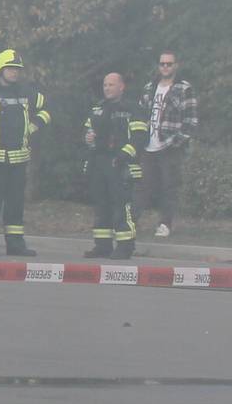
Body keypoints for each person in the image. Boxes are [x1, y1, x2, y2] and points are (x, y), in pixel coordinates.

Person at [0, 49, 51, 257]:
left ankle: (15, 244)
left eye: (17, 69)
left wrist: (33, 127)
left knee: (16, 203)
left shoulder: (26, 91)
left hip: (19, 158)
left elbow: (46, 109)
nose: (14, 72)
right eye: (10, 68)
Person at [82, 69, 147, 258]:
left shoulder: (132, 109)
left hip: (121, 164)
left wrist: (121, 157)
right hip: (99, 163)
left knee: (121, 206)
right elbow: (87, 131)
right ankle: (102, 246)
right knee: (101, 206)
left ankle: (125, 246)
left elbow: (139, 138)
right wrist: (88, 137)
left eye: (111, 84)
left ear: (122, 86)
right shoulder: (98, 109)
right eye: (105, 85)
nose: (107, 88)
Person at [142, 48, 198, 238]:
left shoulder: (183, 88)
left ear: (176, 65)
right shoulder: (150, 87)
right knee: (145, 185)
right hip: (148, 145)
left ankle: (165, 223)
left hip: (169, 145)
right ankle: (132, 223)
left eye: (169, 64)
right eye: (162, 64)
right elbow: (141, 113)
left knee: (169, 186)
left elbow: (191, 121)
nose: (165, 67)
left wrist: (176, 141)